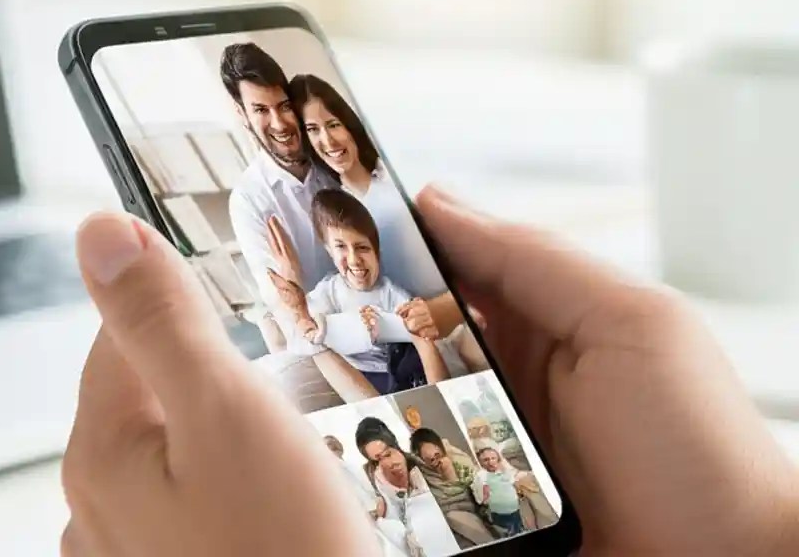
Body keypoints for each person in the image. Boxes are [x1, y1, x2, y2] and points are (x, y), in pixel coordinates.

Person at [60, 187, 799, 556]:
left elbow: (425, 379)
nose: (354, 261)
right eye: (340, 251)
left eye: (362, 249)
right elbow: (320, 348)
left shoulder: (395, 298)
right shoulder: (321, 302)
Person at [288, 74, 486, 377]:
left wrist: (450, 308)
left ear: (349, 123)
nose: (327, 141)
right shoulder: (336, 214)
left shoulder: (398, 178)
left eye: (333, 124)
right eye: (313, 130)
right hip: (410, 339)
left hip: (461, 313)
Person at [219, 43, 374, 400]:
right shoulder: (249, 199)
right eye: (260, 110)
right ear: (241, 113)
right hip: (319, 333)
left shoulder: (332, 158)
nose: (279, 124)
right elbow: (286, 304)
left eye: (284, 106)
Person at [265, 189, 446, 393]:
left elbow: (418, 335)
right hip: (358, 374)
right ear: (329, 250)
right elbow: (306, 335)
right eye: (341, 247)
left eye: (362, 248)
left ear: (377, 251)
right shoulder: (328, 291)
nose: (353, 260)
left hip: (395, 372)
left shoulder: (391, 293)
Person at [355, 418, 459, 557]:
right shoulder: (376, 479)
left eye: (387, 454)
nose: (388, 463)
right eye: (377, 460)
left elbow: (452, 494)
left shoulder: (420, 464)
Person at [409, 428, 495, 548]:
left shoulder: (457, 457)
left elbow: (476, 480)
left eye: (437, 455)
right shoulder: (422, 473)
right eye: (431, 460)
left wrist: (451, 474)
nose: (436, 461)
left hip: (474, 506)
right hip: (450, 516)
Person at [471, 440, 526, 536]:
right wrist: (485, 496)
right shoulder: (481, 476)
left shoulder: (505, 471)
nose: (490, 462)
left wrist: (520, 494)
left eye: (493, 458)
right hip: (499, 512)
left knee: (519, 528)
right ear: (480, 462)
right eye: (486, 460)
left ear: (497, 459)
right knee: (507, 532)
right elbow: (480, 498)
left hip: (515, 509)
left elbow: (514, 483)